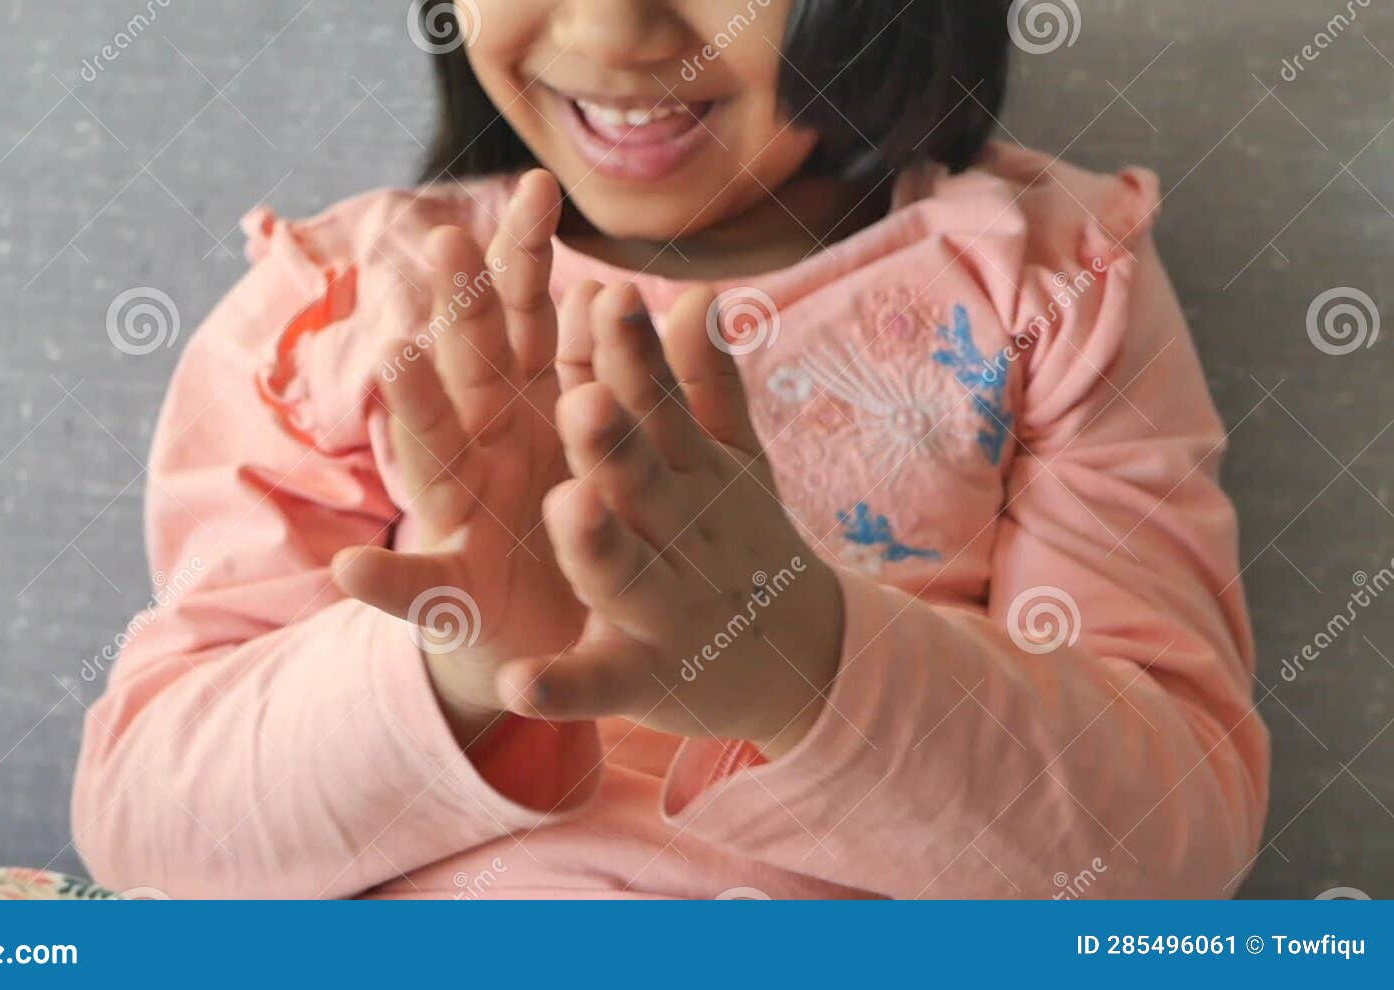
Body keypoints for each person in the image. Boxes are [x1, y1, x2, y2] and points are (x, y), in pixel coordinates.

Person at [72, 0, 1269, 899]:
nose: (614, 28)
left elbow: (1175, 839)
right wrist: (458, 662)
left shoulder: (1049, 280)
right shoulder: (342, 313)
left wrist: (805, 665)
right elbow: (148, 829)